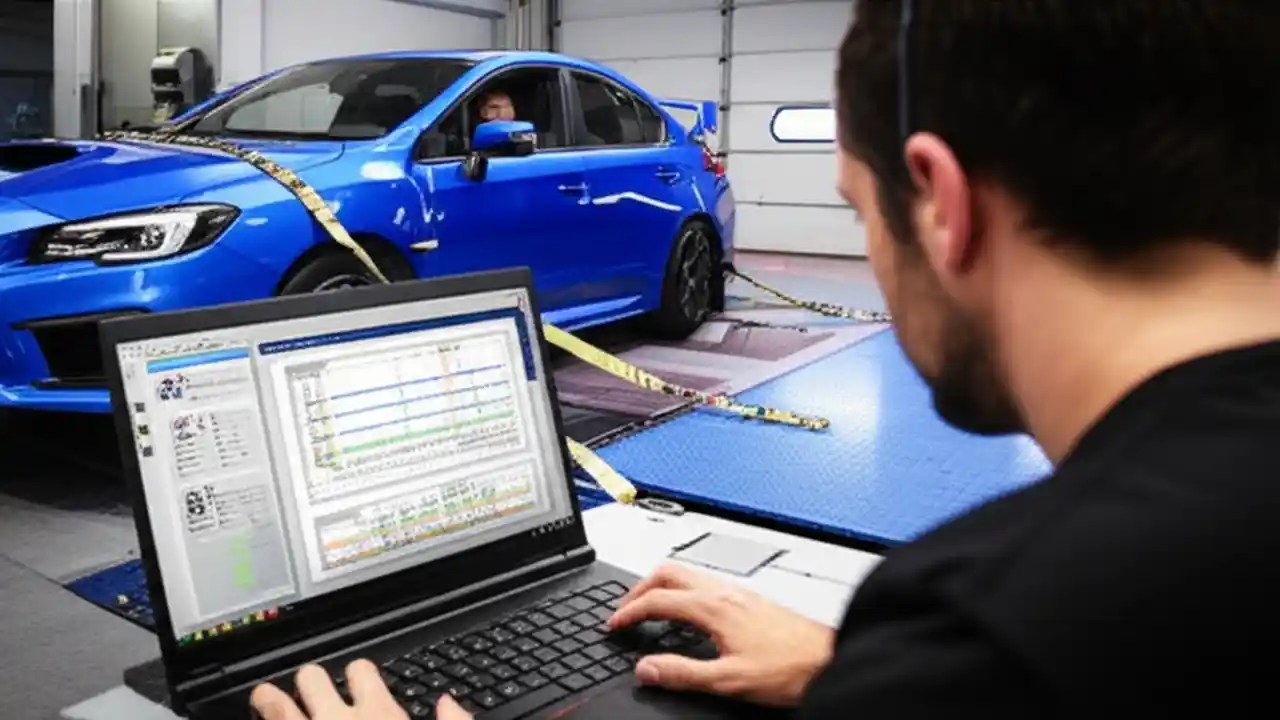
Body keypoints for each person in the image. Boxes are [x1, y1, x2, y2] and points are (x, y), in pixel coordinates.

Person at [250, 1, 1280, 717]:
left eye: (857, 211)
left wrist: (909, 674)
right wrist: (850, 672)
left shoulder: (1005, 631)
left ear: (940, 205)